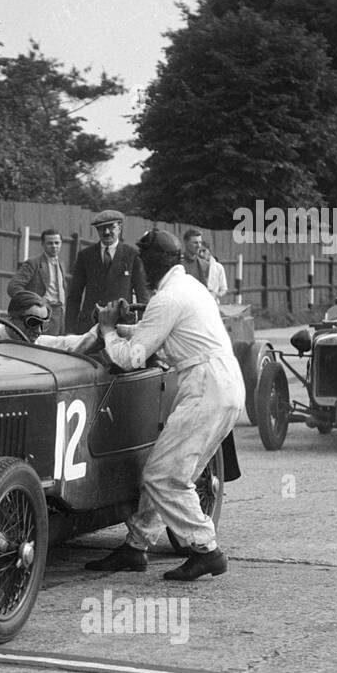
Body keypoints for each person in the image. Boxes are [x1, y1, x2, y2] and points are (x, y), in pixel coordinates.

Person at [84, 228, 243, 582]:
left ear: (153, 264)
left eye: (144, 262)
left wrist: (108, 328)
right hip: (224, 384)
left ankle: (207, 549)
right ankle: (136, 546)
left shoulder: (168, 299)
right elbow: (155, 335)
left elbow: (130, 359)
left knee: (162, 475)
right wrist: (124, 325)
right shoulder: (189, 288)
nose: (141, 269)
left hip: (206, 387)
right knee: (174, 474)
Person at [64, 210, 148, 334]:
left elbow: (142, 295)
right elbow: (74, 295)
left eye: (111, 227)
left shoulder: (132, 255)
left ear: (119, 228)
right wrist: (70, 330)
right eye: (101, 228)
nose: (106, 232)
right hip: (90, 326)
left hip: (121, 325)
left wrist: (142, 329)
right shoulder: (85, 255)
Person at [0, 290, 98, 352]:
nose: (38, 331)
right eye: (32, 323)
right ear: (11, 318)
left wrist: (104, 327)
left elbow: (72, 343)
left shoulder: (39, 344)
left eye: (44, 324)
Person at [7, 228, 67, 334]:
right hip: (41, 313)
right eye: (50, 243)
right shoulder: (33, 263)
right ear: (43, 244)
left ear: (61, 244)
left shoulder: (61, 264)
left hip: (59, 314)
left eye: (57, 243)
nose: (54, 246)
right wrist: (32, 303)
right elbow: (13, 286)